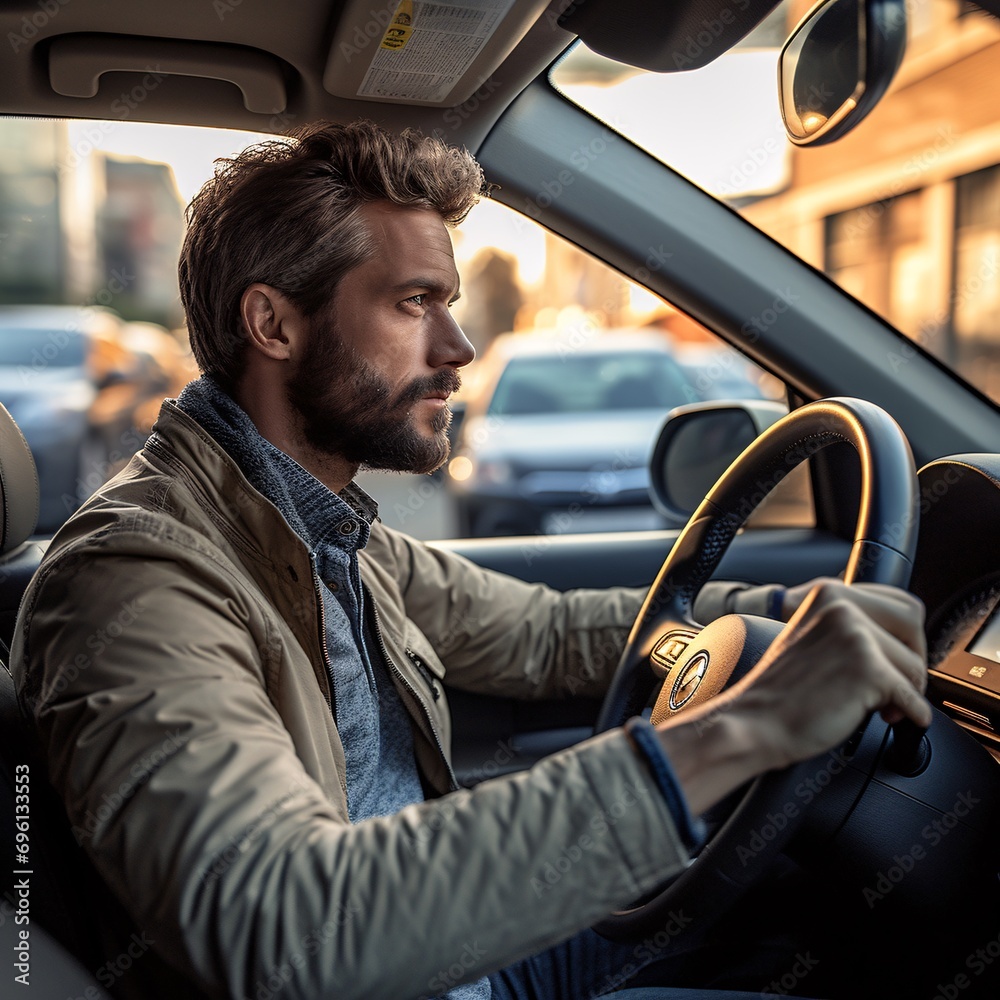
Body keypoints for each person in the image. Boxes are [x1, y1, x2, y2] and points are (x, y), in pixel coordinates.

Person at [10, 120, 931, 1000]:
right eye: (415, 304)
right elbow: (283, 933)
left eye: (447, 304)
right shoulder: (137, 579)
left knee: (794, 923)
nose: (458, 350)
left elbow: (544, 633)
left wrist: (806, 607)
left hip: (461, 963)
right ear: (274, 325)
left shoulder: (323, 530)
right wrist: (747, 726)